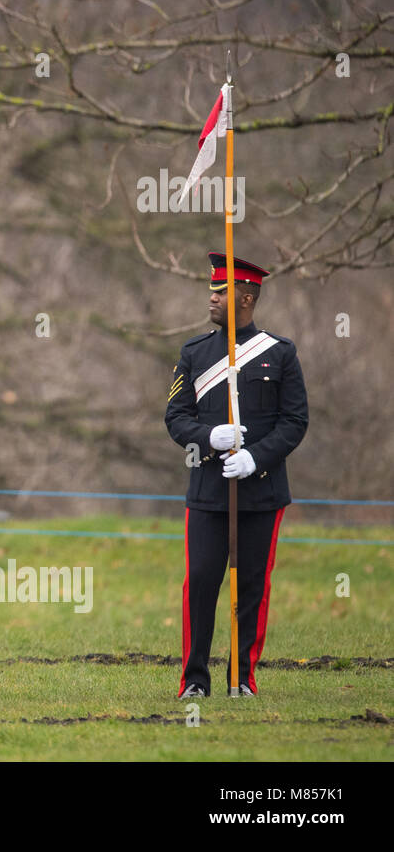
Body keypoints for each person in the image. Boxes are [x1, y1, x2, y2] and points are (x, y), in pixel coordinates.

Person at [165, 253, 308, 698]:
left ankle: (241, 677)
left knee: (251, 588)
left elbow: (294, 421)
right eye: (212, 290)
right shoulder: (194, 353)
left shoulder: (279, 353)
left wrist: (255, 458)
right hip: (208, 491)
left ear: (246, 297)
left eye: (222, 291)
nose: (212, 297)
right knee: (200, 584)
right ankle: (194, 680)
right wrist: (209, 436)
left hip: (262, 492)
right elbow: (176, 417)